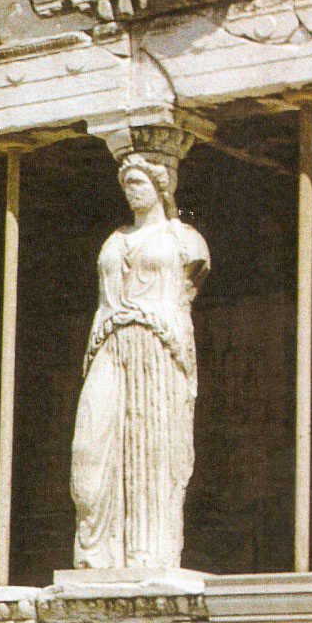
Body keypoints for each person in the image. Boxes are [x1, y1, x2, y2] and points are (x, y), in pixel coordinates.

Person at [70, 153, 210, 569]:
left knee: (152, 449)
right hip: (109, 343)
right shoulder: (113, 241)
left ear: (161, 187)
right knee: (89, 452)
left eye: (138, 182)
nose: (130, 190)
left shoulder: (186, 241)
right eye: (126, 183)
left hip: (157, 345)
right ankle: (95, 552)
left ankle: (147, 554)